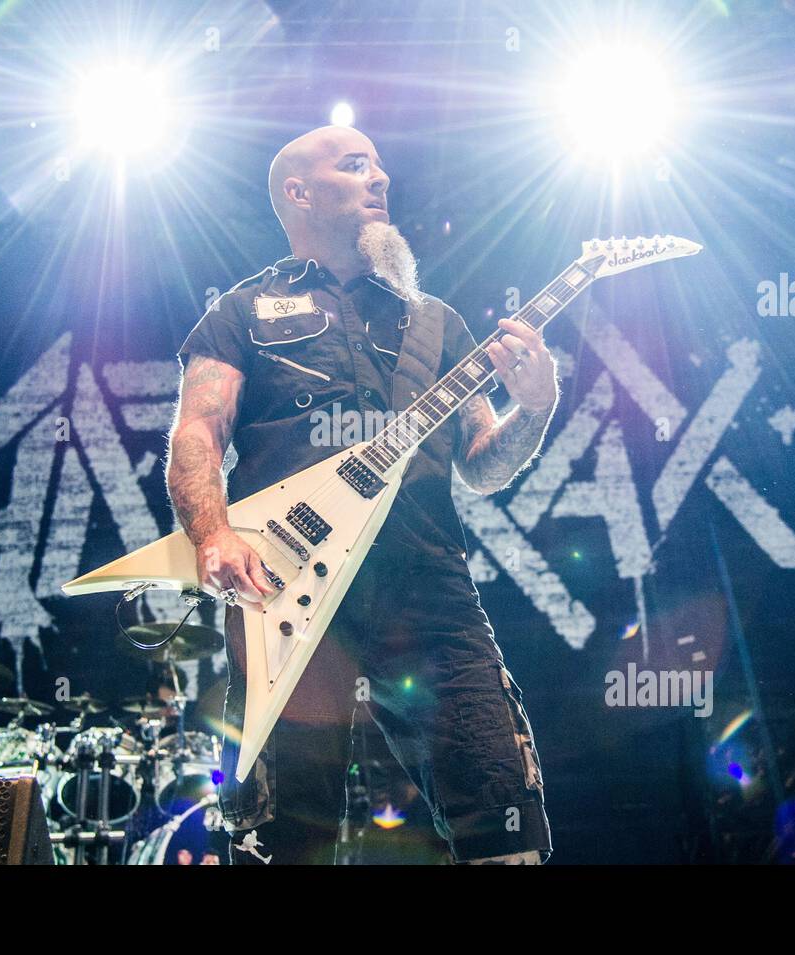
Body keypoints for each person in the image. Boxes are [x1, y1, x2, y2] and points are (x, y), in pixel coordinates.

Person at [166, 125, 557, 864]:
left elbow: (482, 463)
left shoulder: (436, 322)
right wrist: (213, 533)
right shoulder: (241, 313)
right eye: (355, 165)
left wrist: (533, 406)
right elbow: (199, 432)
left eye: (380, 164)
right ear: (299, 192)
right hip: (285, 590)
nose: (380, 178)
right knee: (283, 831)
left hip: (429, 587)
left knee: (500, 805)